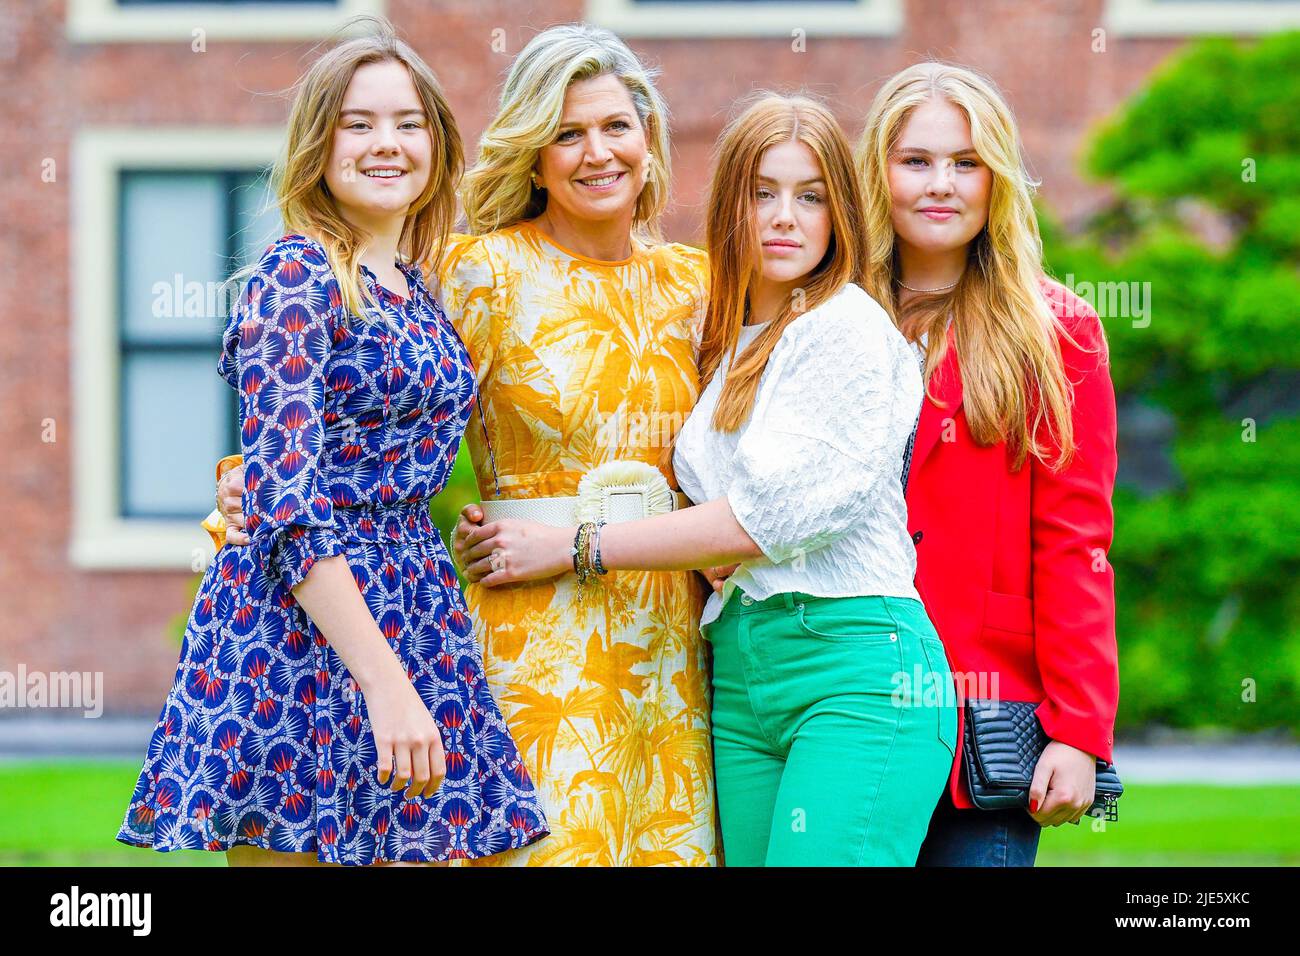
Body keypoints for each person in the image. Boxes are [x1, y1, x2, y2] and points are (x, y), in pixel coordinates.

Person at [210, 24, 717, 866]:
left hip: (672, 631)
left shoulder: (698, 284)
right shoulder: (477, 272)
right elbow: (340, 410)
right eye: (565, 132)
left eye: (616, 127)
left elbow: (771, 425)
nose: (596, 153)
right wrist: (239, 489)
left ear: (651, 139)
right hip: (535, 631)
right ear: (533, 151)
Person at [458, 94, 957, 867]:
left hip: (853, 663)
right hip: (738, 671)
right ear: (731, 206)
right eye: (763, 193)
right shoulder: (722, 334)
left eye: (812, 195)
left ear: (842, 215)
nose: (785, 217)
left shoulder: (846, 329)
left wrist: (573, 544)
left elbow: (761, 522)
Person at [116, 23, 547, 866]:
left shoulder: (414, 285)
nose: (387, 143)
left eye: (408, 123)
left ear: (438, 144)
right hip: (302, 624)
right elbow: (285, 504)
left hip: (415, 600)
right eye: (359, 123)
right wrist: (385, 686)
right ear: (320, 144)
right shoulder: (297, 275)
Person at [854, 62, 1120, 866]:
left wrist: (1080, 732)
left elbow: (1077, 543)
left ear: (997, 178)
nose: (942, 184)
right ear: (878, 174)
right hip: (842, 702)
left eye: (966, 163)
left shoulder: (1058, 331)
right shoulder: (827, 316)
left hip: (985, 724)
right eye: (916, 161)